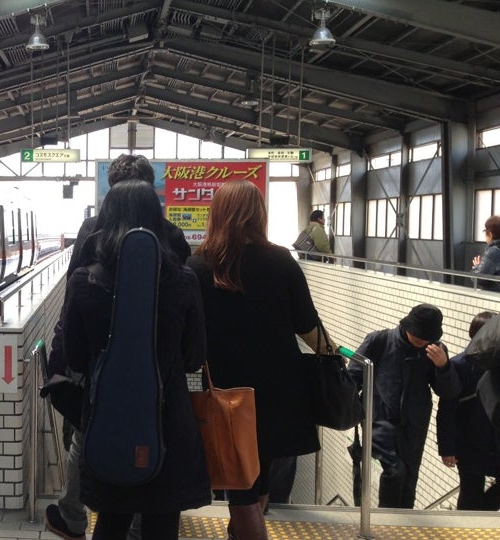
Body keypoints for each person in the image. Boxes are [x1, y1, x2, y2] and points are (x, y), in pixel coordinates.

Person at [44, 154, 190, 540]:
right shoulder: (174, 241)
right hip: (160, 385)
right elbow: (192, 348)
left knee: (85, 436)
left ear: (111, 192)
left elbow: (73, 313)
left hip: (100, 373)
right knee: (153, 448)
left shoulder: (92, 236)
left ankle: (74, 512)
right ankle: (142, 518)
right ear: (152, 193)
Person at [186, 180, 327, 539]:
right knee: (255, 485)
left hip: (224, 393)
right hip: (278, 391)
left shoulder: (199, 266)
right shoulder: (281, 260)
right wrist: (334, 354)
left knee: (241, 490)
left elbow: (187, 332)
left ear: (216, 214)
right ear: (258, 215)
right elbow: (309, 328)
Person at [349, 303, 459, 509]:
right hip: (379, 417)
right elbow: (353, 375)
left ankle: (402, 525)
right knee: (395, 471)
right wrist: (351, 411)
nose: (420, 339)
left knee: (409, 479)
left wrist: (443, 366)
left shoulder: (435, 350)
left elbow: (448, 392)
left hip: (414, 425)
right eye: (416, 333)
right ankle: (387, 522)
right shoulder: (379, 340)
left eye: (426, 336)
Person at [437, 311, 500, 510]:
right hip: (469, 442)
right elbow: (447, 408)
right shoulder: (459, 364)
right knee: (470, 491)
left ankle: (480, 515)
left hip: (494, 441)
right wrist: (447, 448)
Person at [472, 215, 500, 291]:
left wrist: (477, 267)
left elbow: (478, 279)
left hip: (494, 297)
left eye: (485, 231)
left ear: (490, 235)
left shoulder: (493, 252)